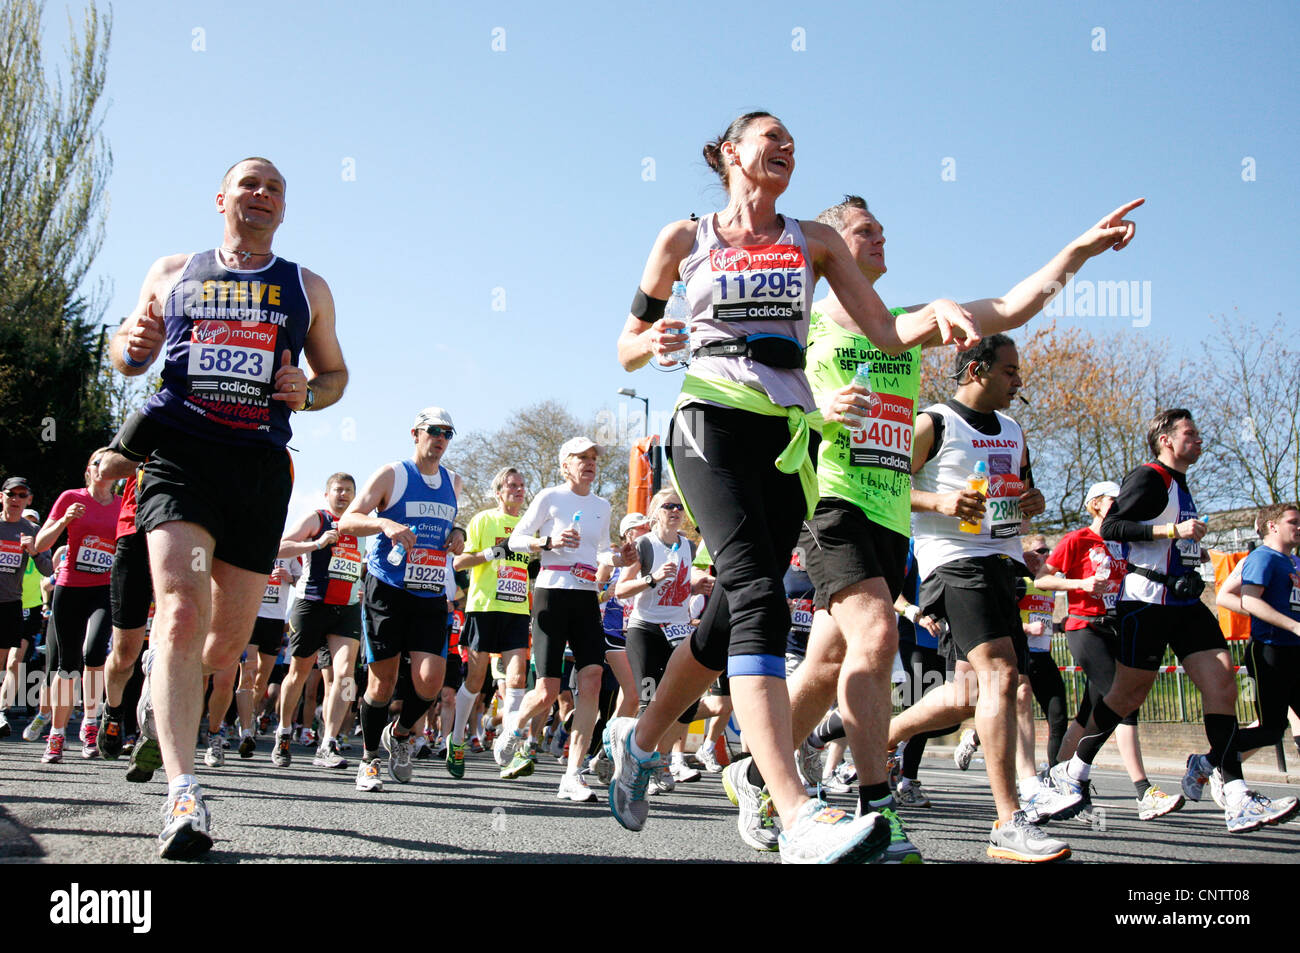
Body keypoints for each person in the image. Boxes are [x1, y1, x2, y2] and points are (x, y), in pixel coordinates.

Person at [607, 111, 981, 863]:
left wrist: (935, 316)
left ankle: (641, 740)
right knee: (758, 596)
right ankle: (796, 809)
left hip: (789, 439)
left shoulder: (815, 240)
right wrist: (653, 342)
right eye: (767, 137)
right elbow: (625, 347)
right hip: (708, 419)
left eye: (792, 143)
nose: (784, 147)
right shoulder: (683, 240)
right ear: (727, 153)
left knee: (725, 617)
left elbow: (884, 331)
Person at [768, 193, 1142, 859]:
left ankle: (758, 769)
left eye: (883, 228)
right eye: (864, 230)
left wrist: (1078, 253)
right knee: (883, 635)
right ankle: (886, 811)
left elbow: (1013, 305)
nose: (881, 237)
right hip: (832, 500)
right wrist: (825, 405)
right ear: (829, 244)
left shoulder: (906, 322)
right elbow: (760, 391)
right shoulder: (805, 322)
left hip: (889, 515)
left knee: (828, 661)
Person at [109, 156, 348, 858]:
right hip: (181, 454)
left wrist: (310, 389)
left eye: (275, 187)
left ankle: (167, 687)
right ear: (222, 198)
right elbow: (124, 352)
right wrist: (133, 346)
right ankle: (184, 793)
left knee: (222, 644)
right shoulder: (173, 269)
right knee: (180, 605)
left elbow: (336, 376)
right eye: (251, 183)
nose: (263, 194)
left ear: (284, 207)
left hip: (259, 468)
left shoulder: (306, 286)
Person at [1046, 410, 1293, 834]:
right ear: (1165, 440)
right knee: (1127, 694)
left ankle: (1235, 795)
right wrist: (1171, 532)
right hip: (1146, 601)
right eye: (1189, 434)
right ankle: (1073, 771)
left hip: (1183, 601)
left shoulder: (1179, 482)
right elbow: (1113, 527)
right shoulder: (1149, 477)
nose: (1199, 439)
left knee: (1222, 683)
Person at [892, 333, 1076, 861]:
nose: (1019, 382)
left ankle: (879, 736)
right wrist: (941, 500)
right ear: (976, 370)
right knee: (1003, 675)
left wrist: (1032, 499)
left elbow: (1020, 494)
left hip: (1002, 562)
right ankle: (1008, 821)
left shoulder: (1014, 430)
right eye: (1011, 371)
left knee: (968, 694)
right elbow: (888, 485)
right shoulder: (934, 422)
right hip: (953, 562)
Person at [1035, 482, 1184, 820]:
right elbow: (1043, 579)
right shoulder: (1077, 540)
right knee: (1124, 700)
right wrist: (1080, 584)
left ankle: (1055, 781)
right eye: (1116, 499)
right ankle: (1143, 791)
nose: (1123, 505)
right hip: (1085, 627)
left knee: (1090, 713)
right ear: (1097, 504)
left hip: (1118, 627)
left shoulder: (1125, 541)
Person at [502, 437, 635, 800]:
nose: (590, 463)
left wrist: (620, 557)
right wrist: (548, 542)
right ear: (565, 464)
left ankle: (573, 774)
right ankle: (513, 727)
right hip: (551, 593)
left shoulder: (602, 505)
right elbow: (515, 540)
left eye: (593, 458)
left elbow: (603, 551)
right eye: (581, 457)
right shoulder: (550, 497)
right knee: (546, 691)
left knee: (591, 679)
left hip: (586, 596)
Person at [339, 407, 461, 792]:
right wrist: (384, 523)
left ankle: (402, 732)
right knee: (383, 682)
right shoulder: (393, 474)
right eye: (434, 431)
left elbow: (452, 524)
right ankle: (369, 759)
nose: (440, 438)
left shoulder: (453, 480)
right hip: (387, 589)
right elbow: (348, 520)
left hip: (428, 591)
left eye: (448, 433)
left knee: (430, 681)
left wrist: (457, 533)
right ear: (416, 433)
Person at [613, 488, 711, 794]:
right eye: (669, 506)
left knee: (684, 704)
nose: (675, 511)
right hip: (646, 631)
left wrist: (699, 586)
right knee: (648, 700)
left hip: (679, 630)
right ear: (655, 511)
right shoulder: (644, 544)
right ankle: (637, 762)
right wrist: (652, 578)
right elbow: (620, 590)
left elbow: (686, 586)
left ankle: (663, 759)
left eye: (680, 507)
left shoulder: (689, 547)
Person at [1207, 503, 1300, 813]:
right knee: (1272, 729)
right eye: (1293, 522)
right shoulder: (1261, 557)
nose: (1298, 527)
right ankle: (1215, 763)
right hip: (1271, 650)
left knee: (1278, 726)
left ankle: (1217, 763)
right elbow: (1238, 598)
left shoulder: (1293, 562)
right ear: (1272, 526)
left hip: (1293, 649)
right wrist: (1288, 624)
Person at [32, 450, 121, 762]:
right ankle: (56, 735)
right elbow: (41, 543)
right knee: (67, 667)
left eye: (110, 464)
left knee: (95, 653)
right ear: (89, 469)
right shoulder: (71, 497)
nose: (104, 468)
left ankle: (90, 722)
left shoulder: (123, 506)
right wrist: (64, 521)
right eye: (98, 462)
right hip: (69, 588)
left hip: (103, 590)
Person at [276, 473, 364, 770]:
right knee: (298, 673)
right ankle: (284, 731)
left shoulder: (360, 525)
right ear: (327, 494)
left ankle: (328, 743)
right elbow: (280, 548)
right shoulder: (318, 519)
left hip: (347, 607)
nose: (343, 495)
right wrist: (316, 544)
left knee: (345, 676)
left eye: (349, 491)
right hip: (311, 603)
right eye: (338, 490)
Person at [454, 467, 534, 779]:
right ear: (498, 491)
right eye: (511, 485)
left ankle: (508, 749)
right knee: (475, 682)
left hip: (517, 611)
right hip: (484, 608)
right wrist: (495, 551)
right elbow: (461, 562)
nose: (518, 490)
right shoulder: (484, 520)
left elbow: (535, 567)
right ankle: (457, 737)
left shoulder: (530, 526)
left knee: (517, 680)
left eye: (521, 485)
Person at [0, 479, 53, 737]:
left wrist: (33, 551)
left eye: (22, 495)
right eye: (11, 494)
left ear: (29, 500)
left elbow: (48, 569)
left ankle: (0, 712)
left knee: (10, 662)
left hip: (14, 603)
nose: (16, 499)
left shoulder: (32, 529)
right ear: (2, 496)